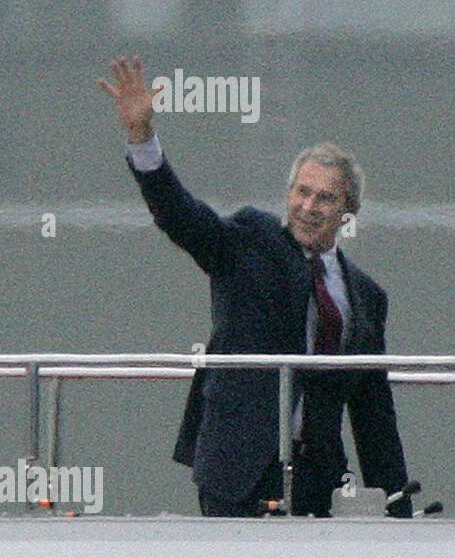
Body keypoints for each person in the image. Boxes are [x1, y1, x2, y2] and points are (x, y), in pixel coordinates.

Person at [99, 55, 412, 517]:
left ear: (349, 211)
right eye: (301, 192)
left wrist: (397, 505)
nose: (308, 206)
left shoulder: (365, 297)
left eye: (324, 197)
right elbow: (181, 216)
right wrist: (142, 138)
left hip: (319, 480)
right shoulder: (250, 239)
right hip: (238, 472)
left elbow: (373, 413)